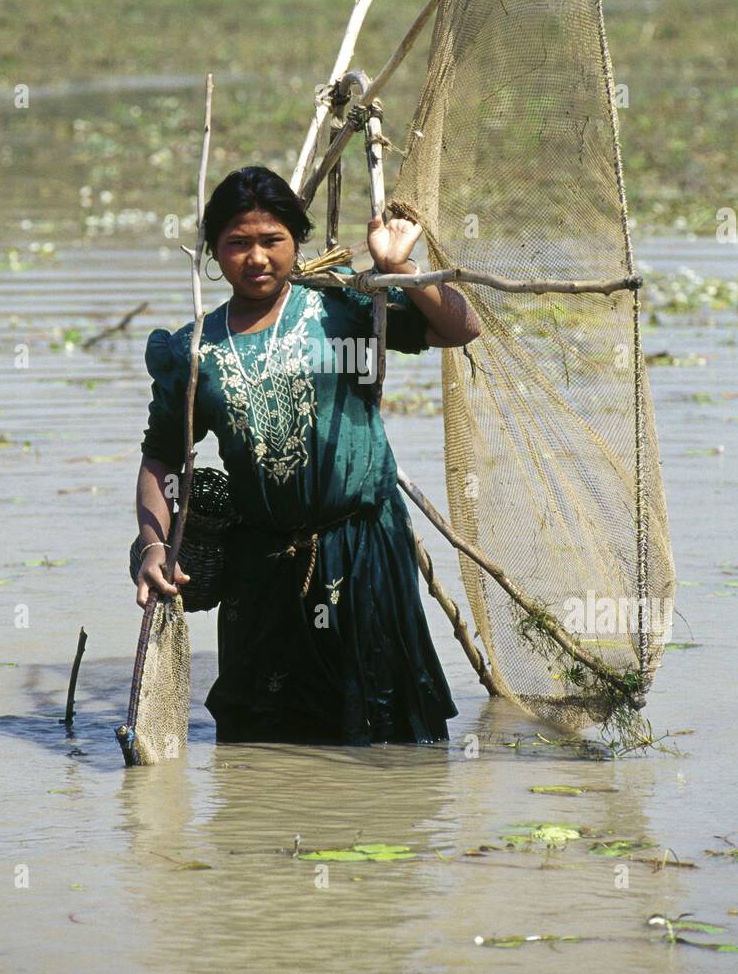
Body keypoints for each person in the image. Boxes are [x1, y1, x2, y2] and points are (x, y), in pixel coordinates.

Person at [134, 166, 482, 746]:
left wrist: (399, 270)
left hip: (363, 548)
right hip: (259, 565)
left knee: (383, 725)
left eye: (272, 240)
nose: (257, 258)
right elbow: (162, 459)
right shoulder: (193, 350)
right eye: (237, 244)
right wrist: (152, 546)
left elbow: (460, 328)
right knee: (258, 737)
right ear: (213, 252)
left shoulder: (344, 304)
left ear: (295, 241)